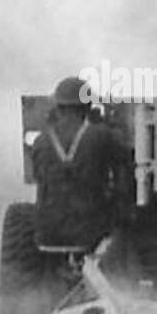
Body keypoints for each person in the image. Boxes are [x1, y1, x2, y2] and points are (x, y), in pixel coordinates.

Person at [30, 76, 134, 250]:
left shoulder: (41, 140)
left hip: (47, 232)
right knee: (125, 235)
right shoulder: (102, 135)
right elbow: (125, 168)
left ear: (57, 107)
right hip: (91, 232)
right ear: (88, 106)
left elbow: (39, 177)